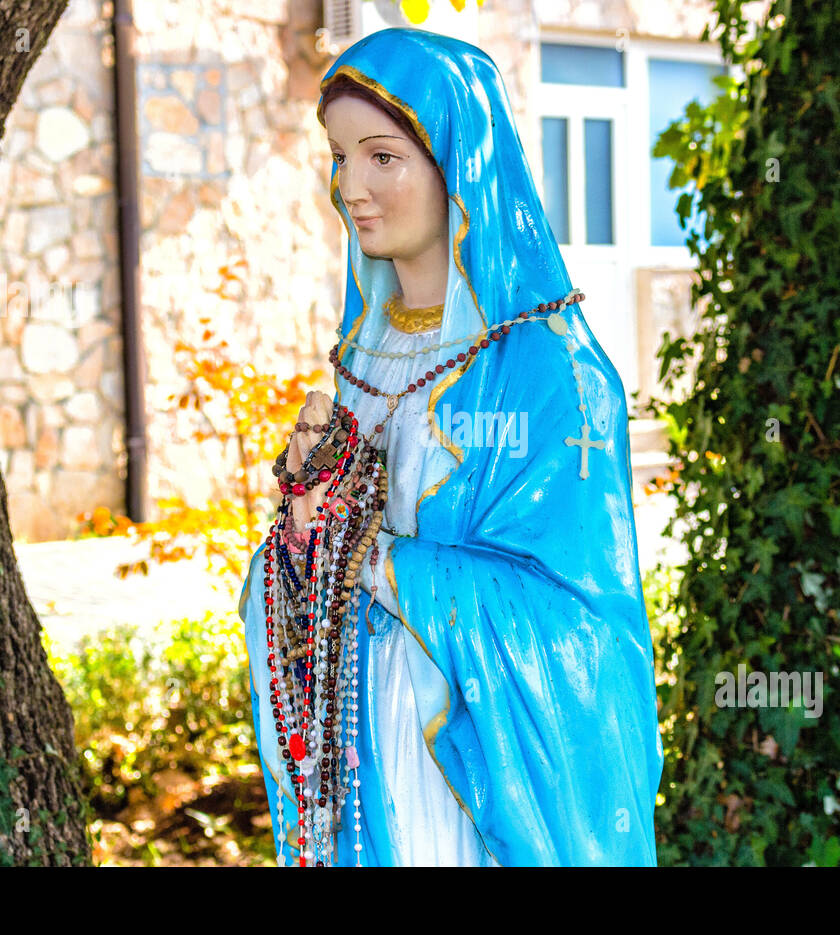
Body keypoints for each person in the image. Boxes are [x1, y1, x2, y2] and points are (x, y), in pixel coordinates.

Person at [237, 26, 663, 866]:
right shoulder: (362, 354)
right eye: (339, 156)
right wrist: (298, 529)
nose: (350, 186)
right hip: (365, 763)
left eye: (383, 157)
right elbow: (303, 572)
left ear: (458, 164)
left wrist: (366, 555)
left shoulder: (552, 372)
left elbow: (582, 636)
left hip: (477, 778)